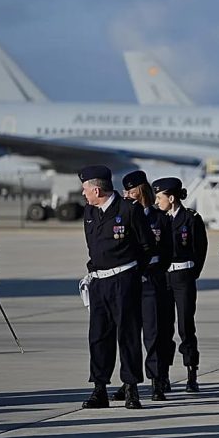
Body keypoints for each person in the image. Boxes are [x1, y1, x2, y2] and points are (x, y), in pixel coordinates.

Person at [78, 165, 156, 409]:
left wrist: (133, 274)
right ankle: (99, 388)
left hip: (124, 280)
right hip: (99, 282)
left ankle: (131, 389)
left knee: (128, 335)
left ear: (97, 190)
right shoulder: (90, 211)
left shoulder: (129, 209)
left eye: (85, 189)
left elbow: (147, 246)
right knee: (98, 336)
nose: (83, 194)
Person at [110, 171, 173, 402]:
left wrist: (155, 273)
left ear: (140, 190)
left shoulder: (159, 218)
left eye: (130, 190)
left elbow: (167, 252)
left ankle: (157, 380)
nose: (126, 194)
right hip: (129, 279)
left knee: (153, 334)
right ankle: (129, 381)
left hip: (151, 281)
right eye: (125, 191)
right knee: (128, 334)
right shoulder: (123, 216)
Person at [151, 176, 208, 393]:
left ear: (172, 198)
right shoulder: (157, 219)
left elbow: (200, 249)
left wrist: (192, 274)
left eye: (159, 197)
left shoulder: (191, 218)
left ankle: (191, 372)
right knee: (163, 327)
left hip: (183, 277)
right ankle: (163, 374)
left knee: (186, 326)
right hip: (163, 277)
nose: (157, 202)